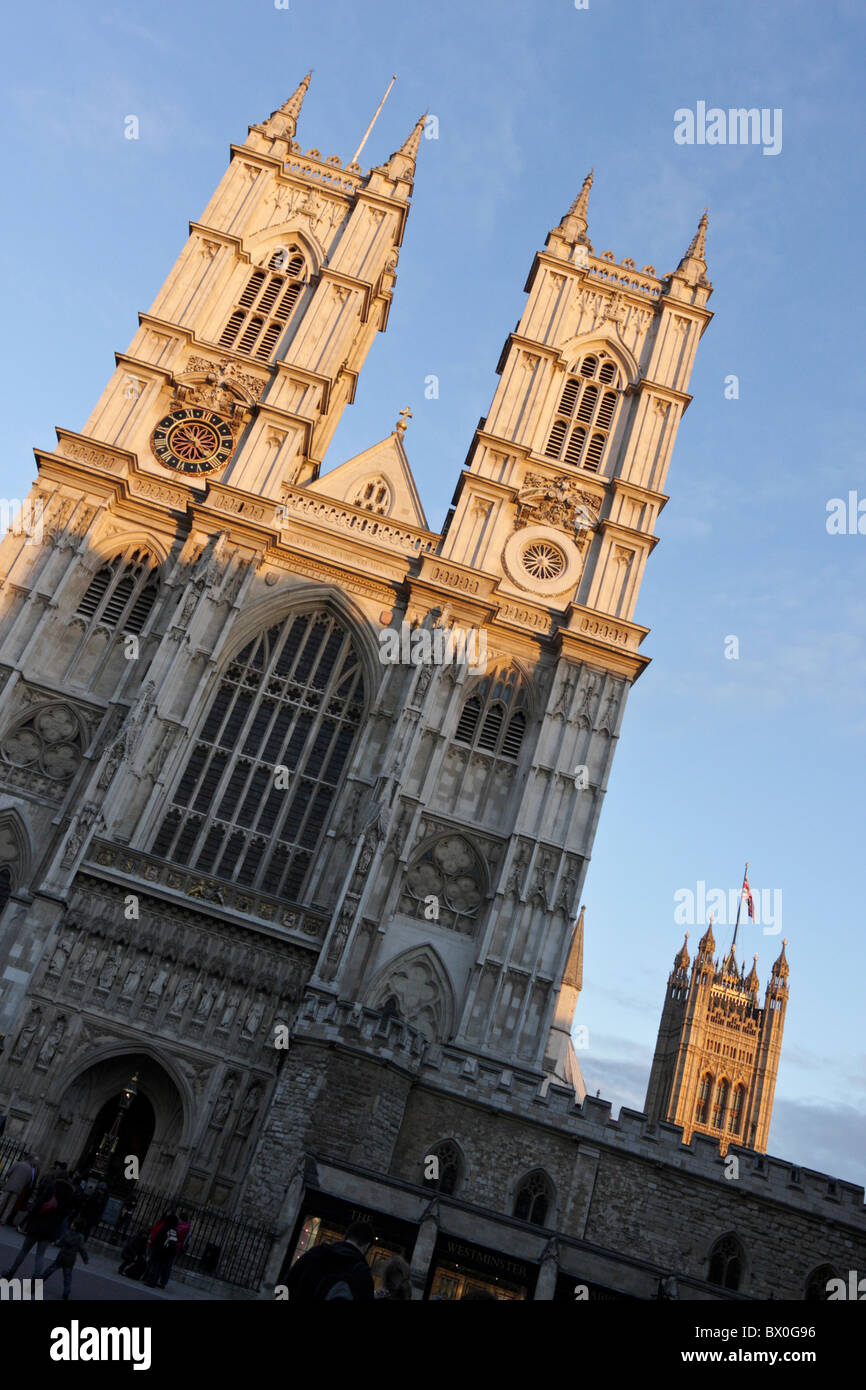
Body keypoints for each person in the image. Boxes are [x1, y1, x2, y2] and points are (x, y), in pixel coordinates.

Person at [1, 1165, 74, 1280]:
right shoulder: (69, 1195)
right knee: (40, 1256)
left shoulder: (52, 1187)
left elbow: (38, 1204)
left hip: (38, 1224)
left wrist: (32, 1213)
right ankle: (36, 1281)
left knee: (24, 1251)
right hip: (51, 1229)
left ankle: (11, 1273)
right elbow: (67, 1214)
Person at [285, 1221, 376, 1301]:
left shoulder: (316, 1253)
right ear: (367, 1246)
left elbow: (287, 1284)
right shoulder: (363, 1274)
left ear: (346, 1237)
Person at [41, 1217, 90, 1300]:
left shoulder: (67, 1233)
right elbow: (82, 1250)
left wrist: (55, 1243)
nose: (71, 1224)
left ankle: (38, 1282)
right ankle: (66, 1292)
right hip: (70, 1259)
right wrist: (85, 1259)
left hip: (62, 1256)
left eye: (73, 1224)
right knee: (67, 1277)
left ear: (74, 1226)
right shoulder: (80, 1238)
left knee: (50, 1269)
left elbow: (60, 1242)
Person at [142, 1210, 179, 1288]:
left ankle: (150, 1281)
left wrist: (153, 1245)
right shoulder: (175, 1231)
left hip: (159, 1250)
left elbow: (157, 1238)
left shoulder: (164, 1228)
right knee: (160, 1268)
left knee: (154, 1266)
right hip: (168, 1252)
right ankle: (154, 1281)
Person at [0, 1152, 39, 1224]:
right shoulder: (30, 1169)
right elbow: (28, 1180)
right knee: (10, 1205)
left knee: (2, 1200)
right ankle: (3, 1219)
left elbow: (9, 1172)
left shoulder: (18, 1164)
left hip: (10, 1185)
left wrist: (11, 1178)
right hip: (19, 1188)